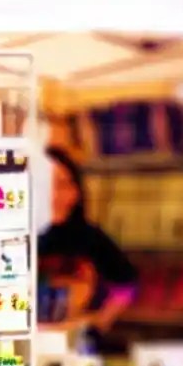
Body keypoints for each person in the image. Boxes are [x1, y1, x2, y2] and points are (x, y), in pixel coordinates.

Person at [39, 146, 137, 349]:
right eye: (52, 185)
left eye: (67, 185)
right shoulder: (15, 235)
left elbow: (126, 283)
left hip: (72, 347)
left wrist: (97, 322)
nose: (62, 195)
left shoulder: (86, 235)